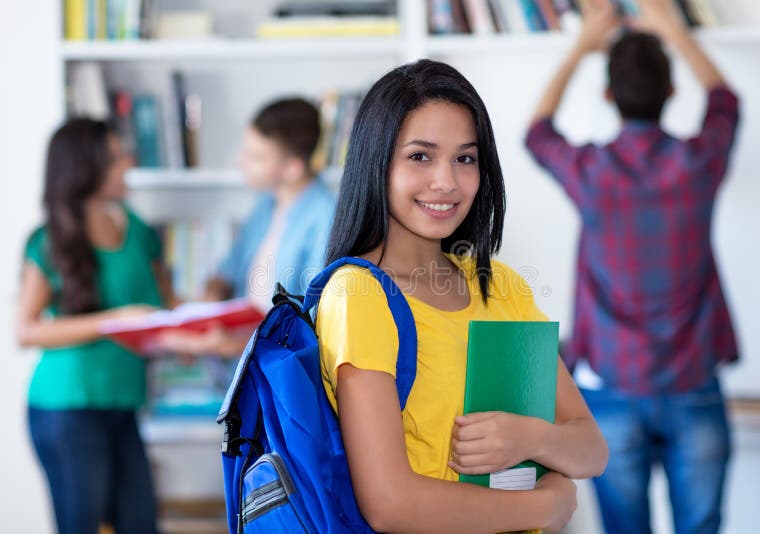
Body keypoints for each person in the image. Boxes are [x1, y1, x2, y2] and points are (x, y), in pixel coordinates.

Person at [316, 59, 608, 533]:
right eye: (420, 156)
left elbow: (592, 449)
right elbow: (390, 502)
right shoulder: (358, 295)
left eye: (465, 158)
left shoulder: (501, 286)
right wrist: (544, 506)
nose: (447, 182)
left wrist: (528, 437)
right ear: (377, 162)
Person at [525, 1, 740, 533]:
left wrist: (581, 45)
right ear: (671, 92)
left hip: (611, 385)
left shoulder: (592, 171)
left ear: (608, 95)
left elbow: (537, 132)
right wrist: (670, 24)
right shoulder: (698, 163)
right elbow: (725, 101)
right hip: (694, 382)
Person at [16, 118, 174, 534]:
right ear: (86, 168)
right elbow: (26, 330)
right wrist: (110, 322)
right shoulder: (50, 241)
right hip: (66, 408)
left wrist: (206, 328)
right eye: (116, 157)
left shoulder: (138, 230)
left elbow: (166, 309)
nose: (128, 163)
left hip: (122, 404)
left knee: (141, 524)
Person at [160, 97, 336, 358]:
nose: (240, 161)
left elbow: (312, 320)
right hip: (246, 362)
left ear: (292, 168)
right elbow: (227, 271)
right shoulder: (266, 205)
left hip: (283, 368)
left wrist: (225, 344)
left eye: (256, 157)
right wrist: (211, 300)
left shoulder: (326, 216)